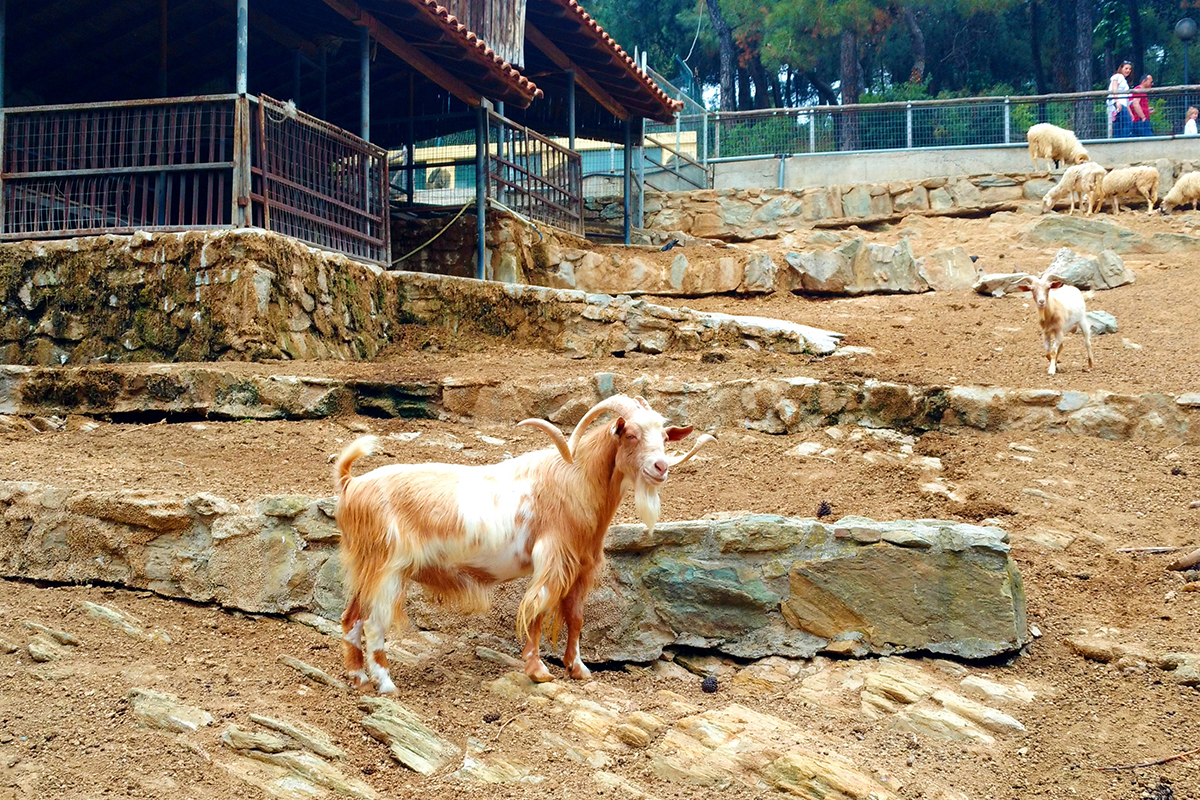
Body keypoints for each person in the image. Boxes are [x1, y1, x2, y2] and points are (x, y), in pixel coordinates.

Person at [1107, 61, 1133, 138]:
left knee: (1119, 125)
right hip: (1118, 103)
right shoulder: (1118, 76)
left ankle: (1117, 141)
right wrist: (1117, 101)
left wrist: (1130, 112)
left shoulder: (1124, 81)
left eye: (1130, 69)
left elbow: (1126, 99)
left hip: (1123, 104)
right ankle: (1124, 140)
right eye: (1126, 68)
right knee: (1128, 123)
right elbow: (1114, 89)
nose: (1128, 70)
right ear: (1121, 68)